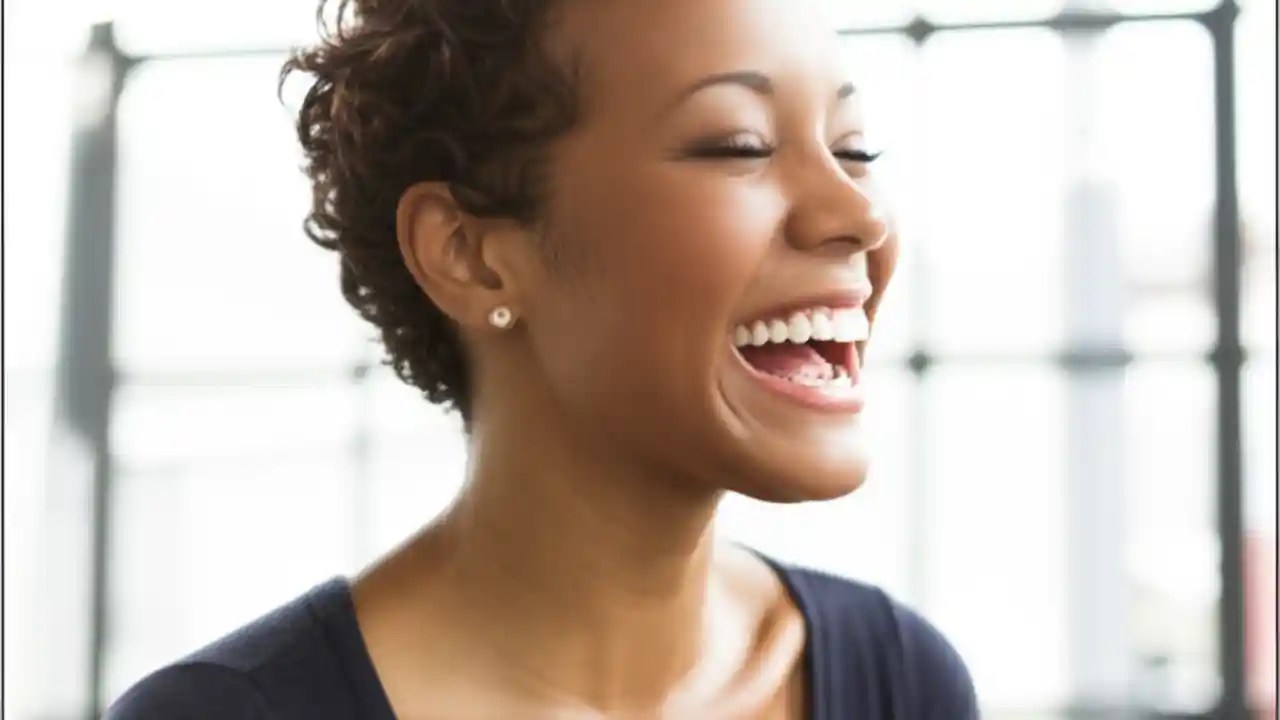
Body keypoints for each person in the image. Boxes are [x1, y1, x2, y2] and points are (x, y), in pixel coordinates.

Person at [107, 0, 979, 717]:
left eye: (853, 147)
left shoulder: (901, 683)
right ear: (469, 253)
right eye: (737, 145)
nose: (859, 214)